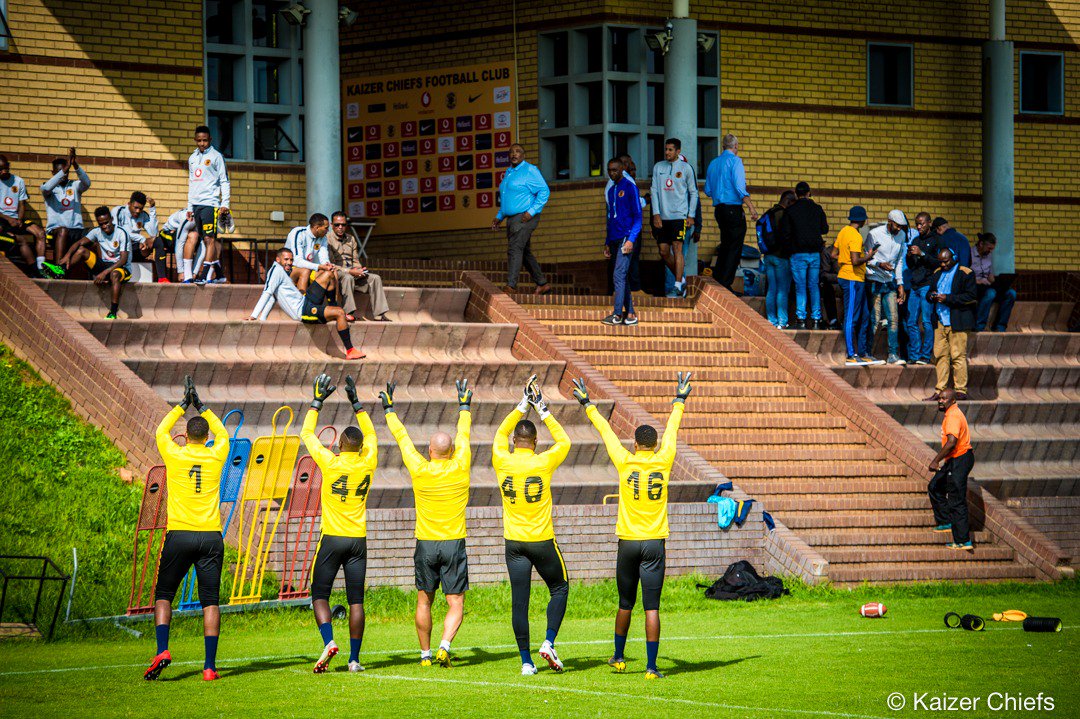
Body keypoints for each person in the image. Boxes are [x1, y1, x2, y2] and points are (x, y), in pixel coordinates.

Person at [574, 372, 691, 680]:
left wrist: (587, 403)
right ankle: (652, 668)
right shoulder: (664, 459)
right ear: (653, 446)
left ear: (636, 443)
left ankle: (619, 657)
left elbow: (605, 431)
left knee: (626, 602)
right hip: (654, 542)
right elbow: (673, 431)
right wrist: (679, 400)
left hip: (628, 542)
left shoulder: (625, 461)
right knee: (651, 607)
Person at [382, 378, 473, 668]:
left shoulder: (420, 469)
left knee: (424, 601)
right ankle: (444, 646)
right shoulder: (461, 466)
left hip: (425, 543)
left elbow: (403, 439)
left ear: (430, 451)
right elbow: (465, 435)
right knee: (455, 603)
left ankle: (424, 655)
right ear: (452, 451)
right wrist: (464, 406)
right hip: (453, 543)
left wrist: (390, 410)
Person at [144, 376, 229, 682]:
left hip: (179, 534)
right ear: (206, 437)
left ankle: (163, 650)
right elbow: (223, 433)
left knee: (164, 593)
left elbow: (160, 431)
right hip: (210, 536)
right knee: (210, 601)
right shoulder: (216, 452)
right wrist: (202, 406)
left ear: (185, 436)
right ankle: (209, 667)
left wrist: (181, 405)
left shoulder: (175, 454)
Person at [492, 376, 572, 675]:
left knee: (520, 602)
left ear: (515, 441)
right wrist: (542, 409)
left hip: (514, 543)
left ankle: (526, 662)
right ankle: (549, 642)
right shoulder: (543, 462)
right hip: (541, 540)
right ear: (535, 442)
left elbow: (500, 432)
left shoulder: (502, 458)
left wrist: (523, 405)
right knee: (560, 588)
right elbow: (565, 441)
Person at [302, 374, 378, 674]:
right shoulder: (367, 461)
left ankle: (329, 641)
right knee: (356, 601)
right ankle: (355, 659)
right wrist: (357, 404)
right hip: (358, 539)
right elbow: (372, 436)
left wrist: (317, 401)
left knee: (319, 594)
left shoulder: (331, 462)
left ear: (340, 444)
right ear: (358, 447)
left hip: (333, 537)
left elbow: (307, 434)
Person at [246, 248, 366, 360]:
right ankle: (350, 351)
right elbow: (267, 293)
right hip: (303, 311)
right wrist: (255, 316)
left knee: (328, 274)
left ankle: (333, 304)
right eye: (286, 259)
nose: (289, 262)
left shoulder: (280, 270)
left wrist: (263, 319)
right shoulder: (276, 271)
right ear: (278, 260)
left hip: (306, 300)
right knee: (340, 313)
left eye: (291, 260)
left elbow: (273, 297)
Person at [492, 144, 552, 295]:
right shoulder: (509, 172)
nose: (514, 154)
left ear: (524, 155)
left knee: (514, 249)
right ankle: (542, 283)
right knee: (524, 252)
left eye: (518, 151)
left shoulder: (530, 170)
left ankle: (510, 286)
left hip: (524, 217)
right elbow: (507, 198)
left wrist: (532, 211)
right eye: (511, 152)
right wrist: (499, 216)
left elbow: (544, 191)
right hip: (512, 218)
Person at [57, 206, 133, 319]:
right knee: (82, 250)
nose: (104, 226)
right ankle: (60, 271)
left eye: (106, 222)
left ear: (112, 219)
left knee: (114, 274)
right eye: (101, 224)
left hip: (121, 268)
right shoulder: (97, 231)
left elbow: (123, 260)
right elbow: (78, 243)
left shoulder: (122, 233)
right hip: (104, 265)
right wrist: (67, 255)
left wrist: (104, 273)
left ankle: (113, 312)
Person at [704, 134, 758, 290]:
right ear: (735, 146)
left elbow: (708, 190)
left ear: (723, 146)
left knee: (726, 244)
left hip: (719, 210)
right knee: (734, 246)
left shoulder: (713, 163)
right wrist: (751, 207)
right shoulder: (736, 161)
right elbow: (740, 187)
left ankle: (719, 279)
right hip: (733, 209)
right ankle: (725, 283)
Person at [650, 138, 698, 297]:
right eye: (666, 149)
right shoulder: (658, 167)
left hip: (680, 216)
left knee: (677, 248)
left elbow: (694, 193)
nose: (667, 153)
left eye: (670, 150)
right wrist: (656, 213)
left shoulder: (686, 168)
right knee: (663, 251)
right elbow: (654, 191)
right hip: (663, 217)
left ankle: (677, 285)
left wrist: (691, 215)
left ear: (678, 151)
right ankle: (683, 280)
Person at [927, 389, 975, 551]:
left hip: (960, 458)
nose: (940, 401)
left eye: (944, 399)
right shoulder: (951, 413)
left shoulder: (953, 416)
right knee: (935, 486)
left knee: (956, 498)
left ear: (953, 400)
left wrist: (935, 460)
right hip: (954, 459)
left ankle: (963, 541)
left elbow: (951, 442)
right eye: (939, 398)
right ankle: (946, 521)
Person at [832, 206, 879, 365]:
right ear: (862, 220)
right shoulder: (856, 237)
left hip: (854, 278)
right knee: (851, 317)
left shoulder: (843, 231)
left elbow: (833, 254)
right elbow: (855, 261)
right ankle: (851, 354)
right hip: (852, 278)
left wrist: (843, 259)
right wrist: (869, 256)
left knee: (865, 316)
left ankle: (863, 352)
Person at [927, 248, 976, 401]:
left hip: (957, 321)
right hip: (940, 321)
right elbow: (929, 292)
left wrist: (947, 298)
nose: (943, 265)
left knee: (958, 356)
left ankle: (960, 390)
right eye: (941, 262)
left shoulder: (966, 273)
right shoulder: (937, 273)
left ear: (954, 258)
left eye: (946, 261)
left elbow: (971, 297)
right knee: (940, 356)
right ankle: (940, 390)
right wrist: (932, 296)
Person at [780, 182, 829, 329]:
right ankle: (816, 319)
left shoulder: (790, 210)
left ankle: (801, 319)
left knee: (800, 287)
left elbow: (785, 233)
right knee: (813, 286)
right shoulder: (817, 209)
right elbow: (824, 229)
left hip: (797, 254)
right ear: (809, 193)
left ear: (796, 194)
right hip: (814, 253)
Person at [863, 210, 909, 364]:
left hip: (889, 282)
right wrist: (880, 264)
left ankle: (893, 354)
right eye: (897, 226)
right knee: (875, 319)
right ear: (890, 221)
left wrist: (900, 283)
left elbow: (899, 261)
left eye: (902, 227)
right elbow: (866, 258)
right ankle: (867, 352)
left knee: (893, 318)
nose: (899, 229)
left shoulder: (901, 236)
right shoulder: (874, 234)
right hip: (875, 279)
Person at [327, 211, 390, 322]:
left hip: (352, 273)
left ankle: (380, 314)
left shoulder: (351, 239)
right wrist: (349, 271)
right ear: (332, 225)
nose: (340, 227)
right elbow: (331, 265)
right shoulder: (327, 239)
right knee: (348, 277)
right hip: (338, 274)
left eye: (343, 224)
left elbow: (355, 260)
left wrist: (359, 270)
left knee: (375, 278)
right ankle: (348, 312)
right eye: (337, 225)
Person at [187, 125, 231, 284]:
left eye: (205, 140)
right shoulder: (192, 158)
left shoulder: (217, 156)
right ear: (195, 140)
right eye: (199, 140)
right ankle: (219, 275)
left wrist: (225, 203)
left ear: (210, 140)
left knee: (209, 240)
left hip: (211, 204)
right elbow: (191, 183)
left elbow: (225, 181)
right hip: (197, 205)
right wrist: (189, 207)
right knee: (204, 239)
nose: (202, 143)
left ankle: (204, 274)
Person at [603, 157, 642, 326]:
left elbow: (638, 217)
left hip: (626, 237)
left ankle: (618, 315)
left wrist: (631, 240)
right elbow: (610, 217)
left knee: (618, 274)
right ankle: (631, 314)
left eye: (615, 170)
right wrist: (607, 241)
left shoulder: (630, 186)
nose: (612, 173)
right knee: (622, 276)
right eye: (609, 170)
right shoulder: (611, 191)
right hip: (614, 238)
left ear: (621, 170)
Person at [40, 147, 90, 273]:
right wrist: (65, 168)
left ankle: (100, 272)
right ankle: (57, 269)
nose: (64, 175)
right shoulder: (48, 187)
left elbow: (87, 183)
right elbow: (46, 188)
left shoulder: (75, 185)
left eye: (66, 172)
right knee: (63, 230)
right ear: (53, 173)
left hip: (76, 230)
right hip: (57, 233)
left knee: (96, 233)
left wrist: (75, 165)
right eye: (60, 172)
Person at [0, 154, 48, 274]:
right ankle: (33, 271)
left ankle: (41, 269)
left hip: (17, 218)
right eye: (0, 169)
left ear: (9, 166)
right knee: (18, 239)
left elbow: (22, 204)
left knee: (41, 233)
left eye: (5, 168)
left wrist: (20, 219)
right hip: (2, 219)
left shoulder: (18, 181)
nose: (3, 171)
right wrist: (8, 219)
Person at [904, 212, 941, 365]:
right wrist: (909, 256)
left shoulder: (937, 240)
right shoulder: (916, 240)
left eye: (922, 223)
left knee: (926, 321)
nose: (918, 226)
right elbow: (913, 266)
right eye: (917, 223)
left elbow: (938, 263)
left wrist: (923, 253)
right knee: (911, 321)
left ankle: (925, 356)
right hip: (914, 286)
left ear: (929, 223)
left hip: (927, 285)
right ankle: (914, 354)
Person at [758, 190, 796, 328]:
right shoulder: (784, 215)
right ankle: (782, 321)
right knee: (782, 290)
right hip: (781, 257)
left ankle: (771, 320)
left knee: (772, 289)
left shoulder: (769, 213)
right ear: (788, 201)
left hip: (768, 256)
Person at [972, 232, 1015, 332]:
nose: (990, 251)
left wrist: (999, 282)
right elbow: (964, 273)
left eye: (992, 249)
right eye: (989, 248)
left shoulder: (988, 256)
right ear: (981, 244)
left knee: (1011, 293)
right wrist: (977, 280)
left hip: (987, 285)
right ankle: (979, 326)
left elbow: (990, 275)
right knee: (991, 293)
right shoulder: (969, 253)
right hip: (975, 285)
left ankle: (1000, 327)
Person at [112, 191, 160, 281]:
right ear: (129, 204)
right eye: (136, 207)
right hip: (120, 248)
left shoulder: (143, 215)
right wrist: (141, 238)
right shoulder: (118, 211)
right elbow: (118, 233)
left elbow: (153, 233)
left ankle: (160, 276)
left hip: (134, 248)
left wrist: (152, 209)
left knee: (154, 240)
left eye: (141, 209)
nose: (138, 211)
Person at [285, 214, 334, 293]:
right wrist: (319, 266)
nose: (328, 231)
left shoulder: (323, 238)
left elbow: (324, 257)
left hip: (309, 268)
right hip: (289, 269)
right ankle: (302, 303)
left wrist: (327, 265)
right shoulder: (298, 233)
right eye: (326, 228)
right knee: (305, 271)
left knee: (329, 273)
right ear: (317, 227)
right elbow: (297, 261)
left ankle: (329, 303)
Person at [158, 208, 199, 283]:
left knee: (200, 238)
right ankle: (186, 274)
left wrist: (195, 272)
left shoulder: (203, 220)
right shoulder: (187, 218)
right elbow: (179, 243)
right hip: (168, 233)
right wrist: (180, 271)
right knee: (193, 235)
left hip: (183, 231)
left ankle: (190, 274)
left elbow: (203, 246)